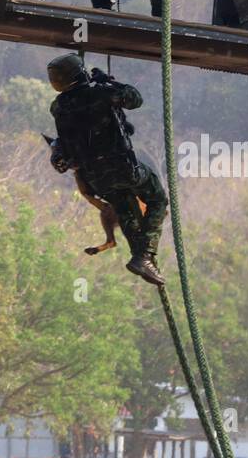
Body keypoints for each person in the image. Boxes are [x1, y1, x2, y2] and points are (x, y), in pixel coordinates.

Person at [46, 54, 169, 286]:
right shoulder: (100, 93)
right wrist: (108, 82)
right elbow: (135, 98)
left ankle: (141, 258)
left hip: (96, 178)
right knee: (157, 199)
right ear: (79, 73)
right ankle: (145, 255)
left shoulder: (58, 108)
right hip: (122, 168)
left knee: (124, 210)